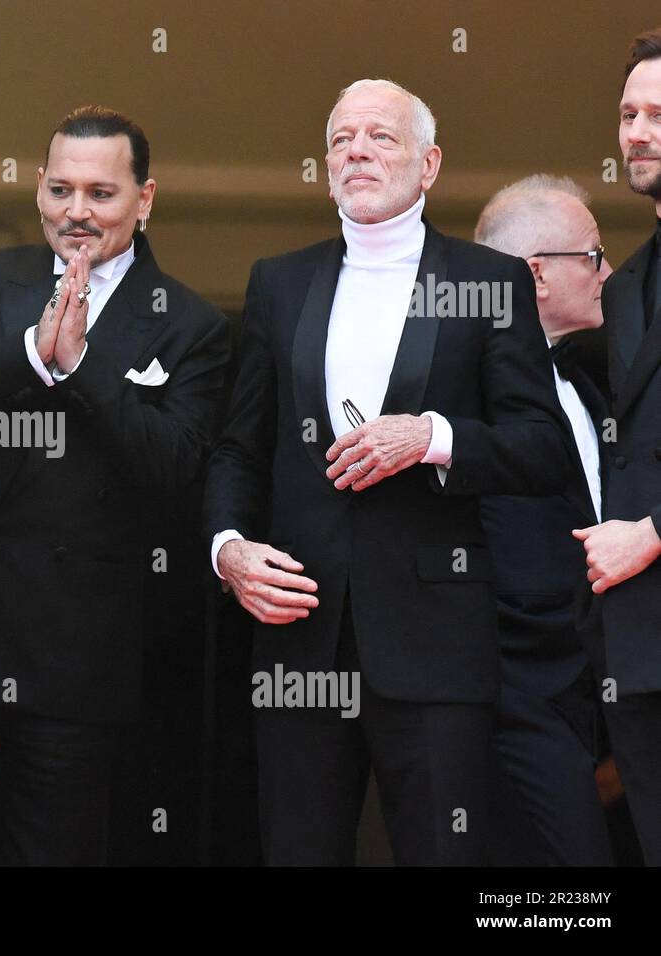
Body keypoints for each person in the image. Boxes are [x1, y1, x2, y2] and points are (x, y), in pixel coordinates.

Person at [203, 79, 568, 865]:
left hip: (436, 643)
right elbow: (239, 447)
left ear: (429, 164)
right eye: (340, 139)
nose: (356, 151)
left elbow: (542, 446)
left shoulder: (488, 281)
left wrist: (433, 436)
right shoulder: (279, 281)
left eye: (381, 137)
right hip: (298, 632)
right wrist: (229, 549)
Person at [0, 106, 232, 866]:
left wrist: (82, 367)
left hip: (78, 653)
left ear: (146, 198)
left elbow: (175, 469)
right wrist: (35, 355)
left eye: (101, 193)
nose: (76, 211)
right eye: (60, 189)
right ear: (38, 186)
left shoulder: (192, 324)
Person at [473, 175, 614, 865]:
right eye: (593, 256)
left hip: (596, 694)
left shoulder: (589, 386)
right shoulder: (462, 396)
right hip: (516, 696)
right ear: (536, 275)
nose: (607, 273)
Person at [585, 26, 661, 865]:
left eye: (658, 115)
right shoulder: (631, 281)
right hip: (640, 653)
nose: (637, 132)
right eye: (628, 113)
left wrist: (653, 530)